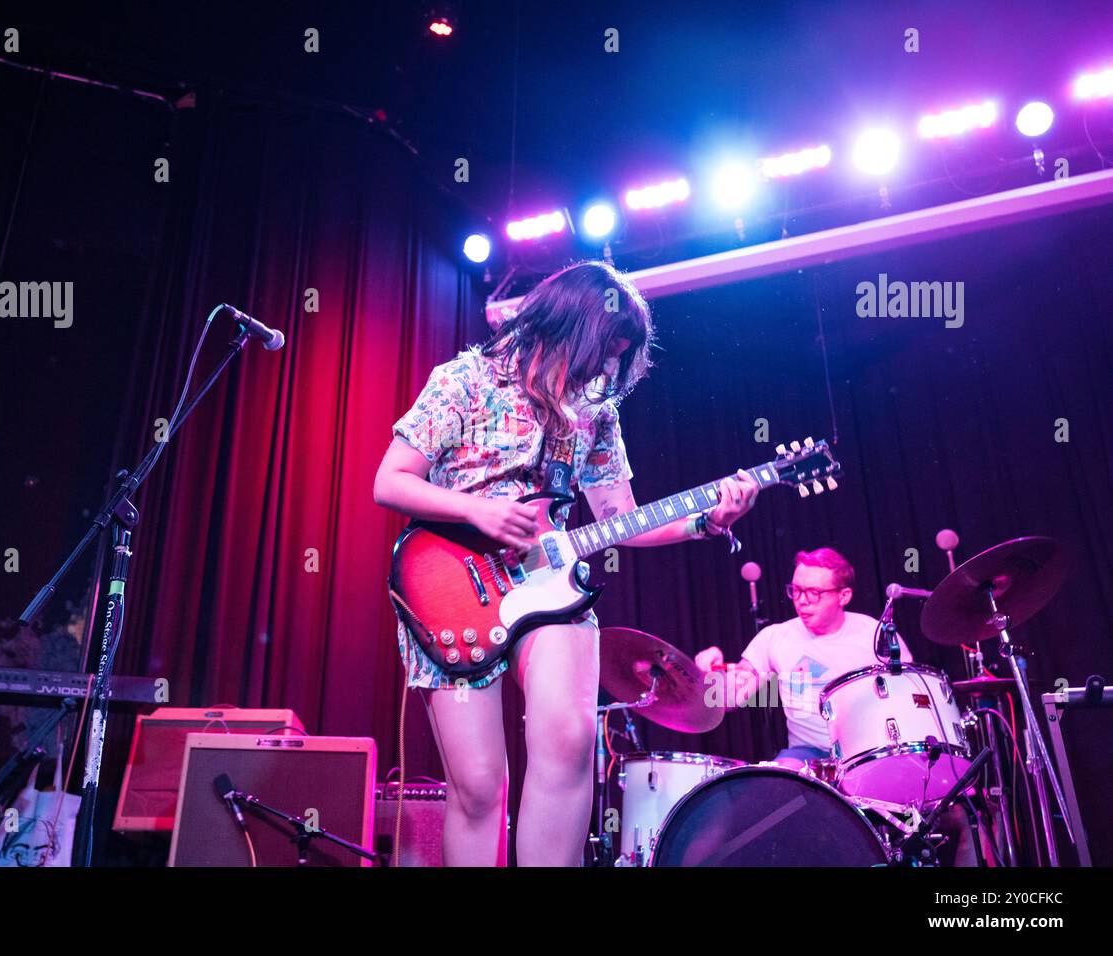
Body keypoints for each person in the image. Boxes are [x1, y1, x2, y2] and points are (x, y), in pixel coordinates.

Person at [373, 261, 760, 866]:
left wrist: (707, 520)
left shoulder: (595, 413)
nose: (608, 367)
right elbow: (389, 482)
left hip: (550, 580)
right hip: (448, 580)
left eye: (619, 356)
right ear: (571, 322)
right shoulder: (465, 379)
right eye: (606, 348)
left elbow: (620, 517)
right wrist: (478, 514)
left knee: (571, 740)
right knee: (478, 787)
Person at [696, 546, 985, 866]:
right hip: (809, 755)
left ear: (843, 595)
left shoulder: (873, 635)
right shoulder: (775, 637)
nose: (801, 600)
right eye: (796, 590)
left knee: (965, 815)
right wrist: (710, 675)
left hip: (869, 757)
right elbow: (730, 698)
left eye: (814, 592)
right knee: (766, 793)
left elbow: (912, 702)